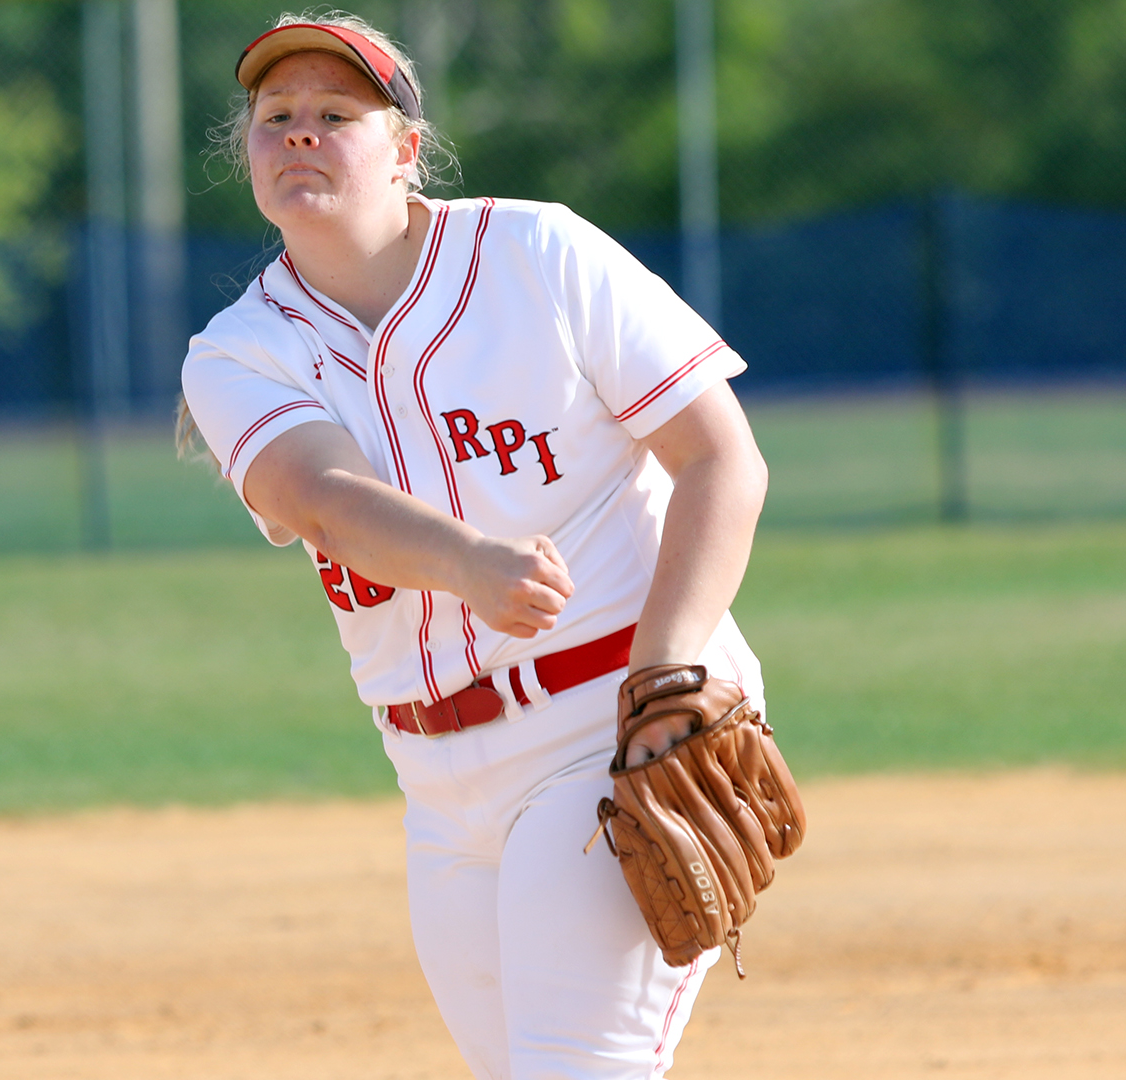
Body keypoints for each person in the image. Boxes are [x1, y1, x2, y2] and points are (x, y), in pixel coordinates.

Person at [178, 13, 770, 1079]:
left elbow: (722, 459)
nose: (300, 135)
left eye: (334, 115)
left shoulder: (536, 254)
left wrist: (668, 670)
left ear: (405, 148)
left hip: (608, 725)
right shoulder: (239, 352)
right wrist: (468, 562)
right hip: (438, 784)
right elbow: (317, 492)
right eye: (276, 117)